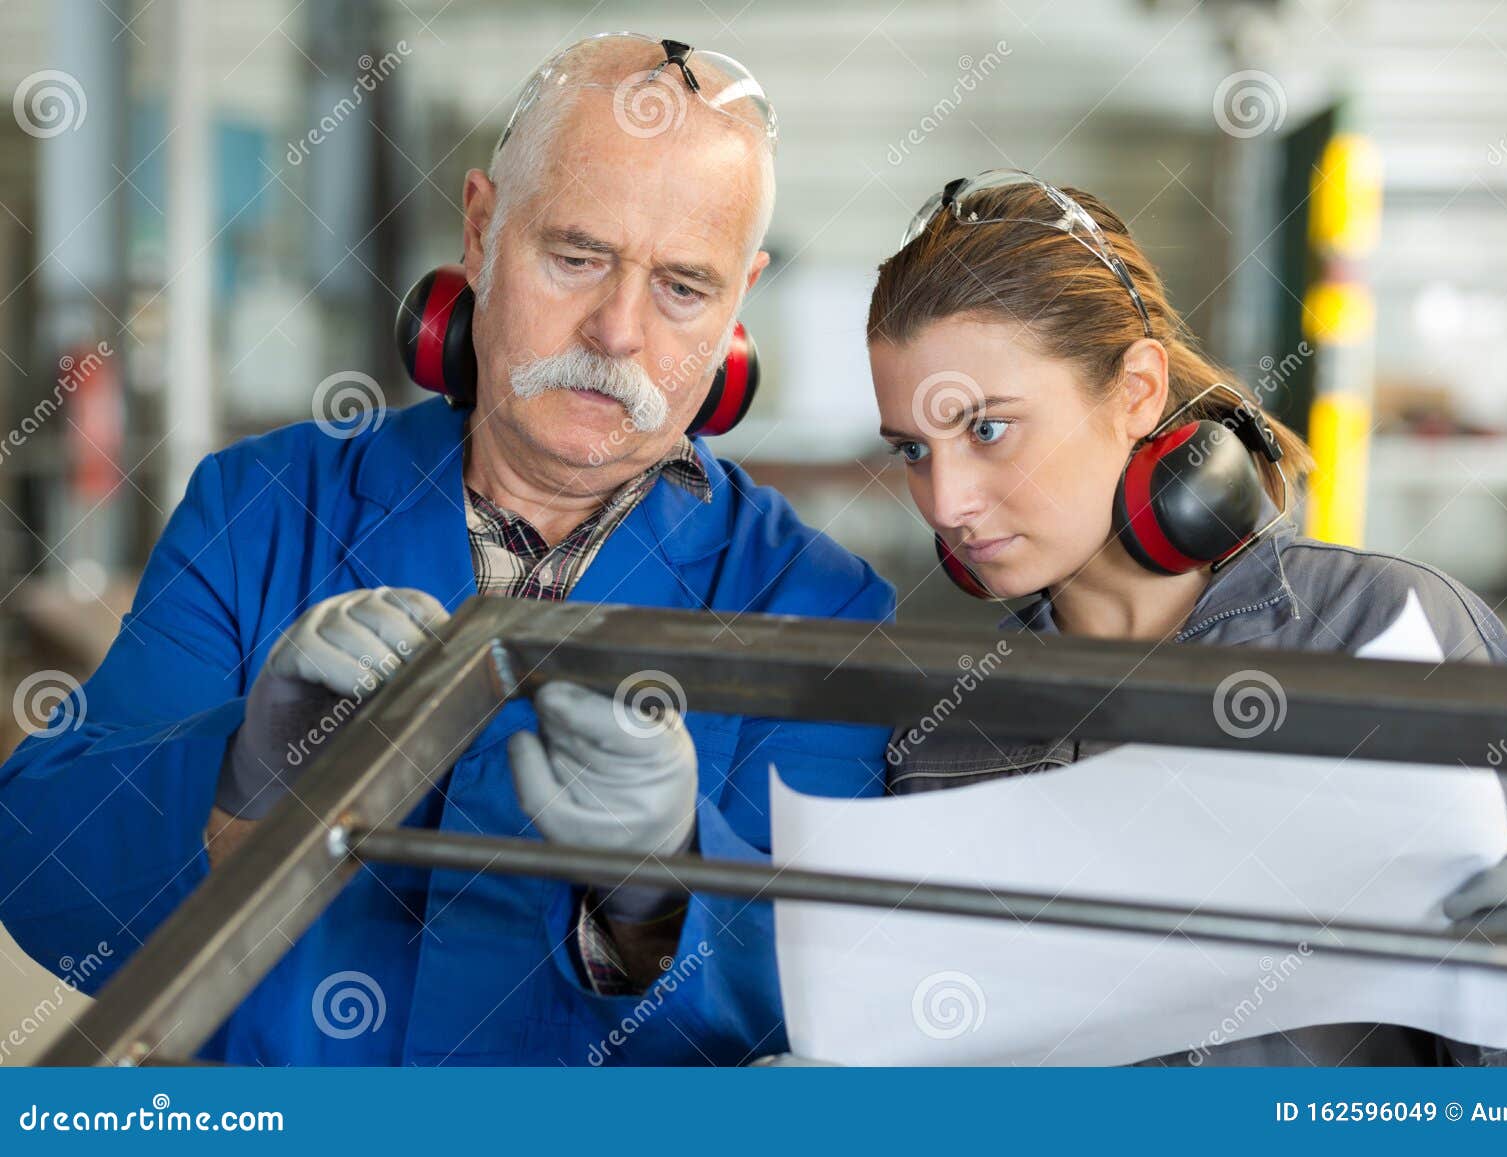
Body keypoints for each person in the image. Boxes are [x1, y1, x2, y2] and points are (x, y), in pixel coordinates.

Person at [0, 33, 893, 1066]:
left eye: (683, 289)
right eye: (575, 255)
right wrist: (238, 774)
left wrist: (661, 883)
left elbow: (837, 989)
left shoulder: (819, 604)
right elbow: (41, 874)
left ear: (740, 297)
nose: (617, 329)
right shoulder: (260, 507)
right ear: (479, 229)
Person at [861, 169, 1507, 1064]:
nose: (946, 502)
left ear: (1136, 389)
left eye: (986, 430)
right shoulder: (950, 730)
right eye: (913, 448)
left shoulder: (1385, 633)